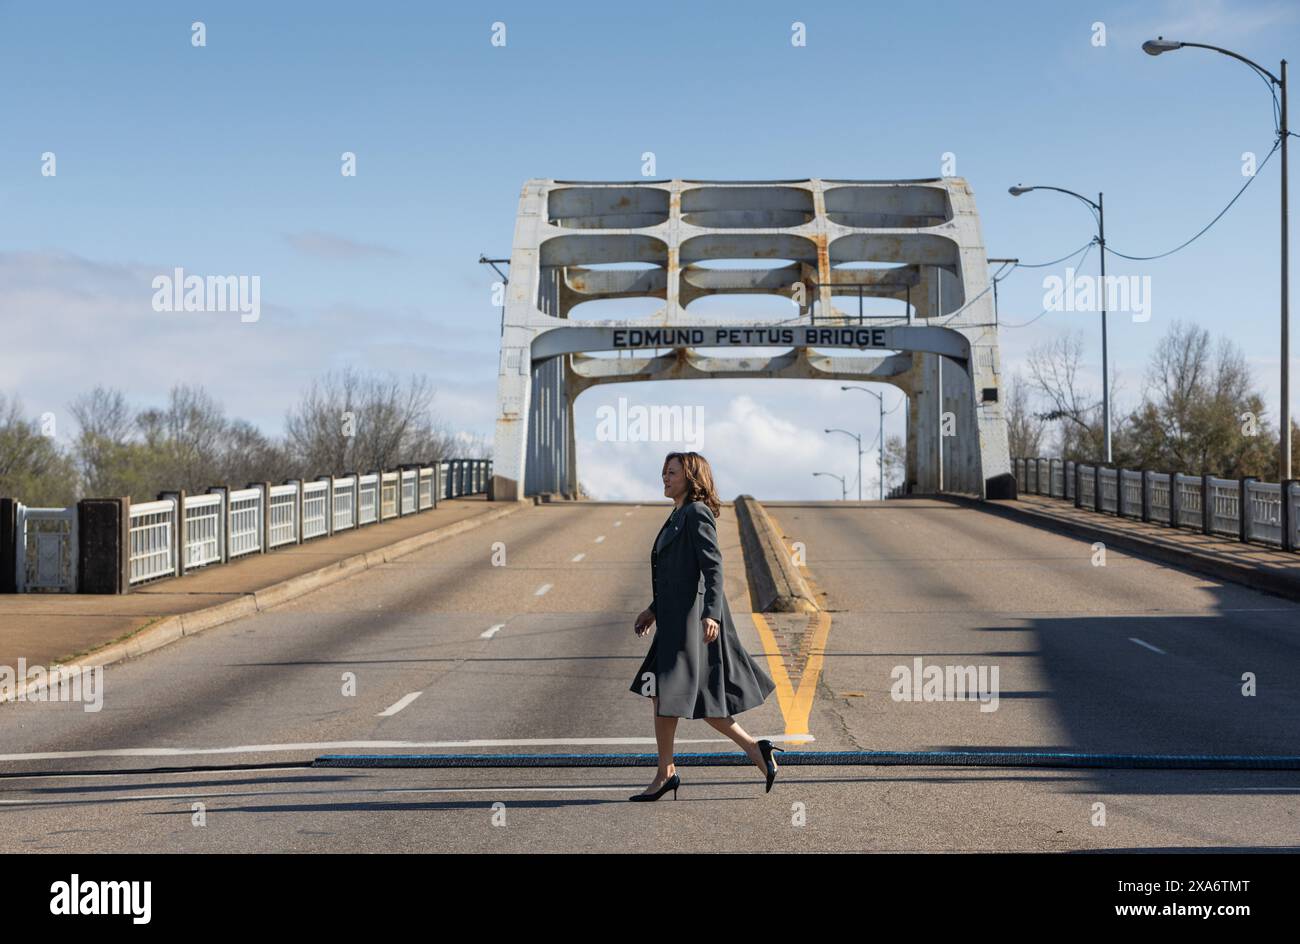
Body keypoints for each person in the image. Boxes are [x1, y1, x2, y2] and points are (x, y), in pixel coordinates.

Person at [627, 451, 781, 801]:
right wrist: (653, 610)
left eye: (671, 473)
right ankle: (755, 749)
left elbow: (713, 568)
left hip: (690, 621)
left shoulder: (695, 514)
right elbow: (677, 573)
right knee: (689, 696)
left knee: (666, 692)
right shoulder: (677, 514)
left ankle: (666, 773)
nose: (664, 478)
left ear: (691, 477)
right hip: (674, 617)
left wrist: (710, 614)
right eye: (664, 472)